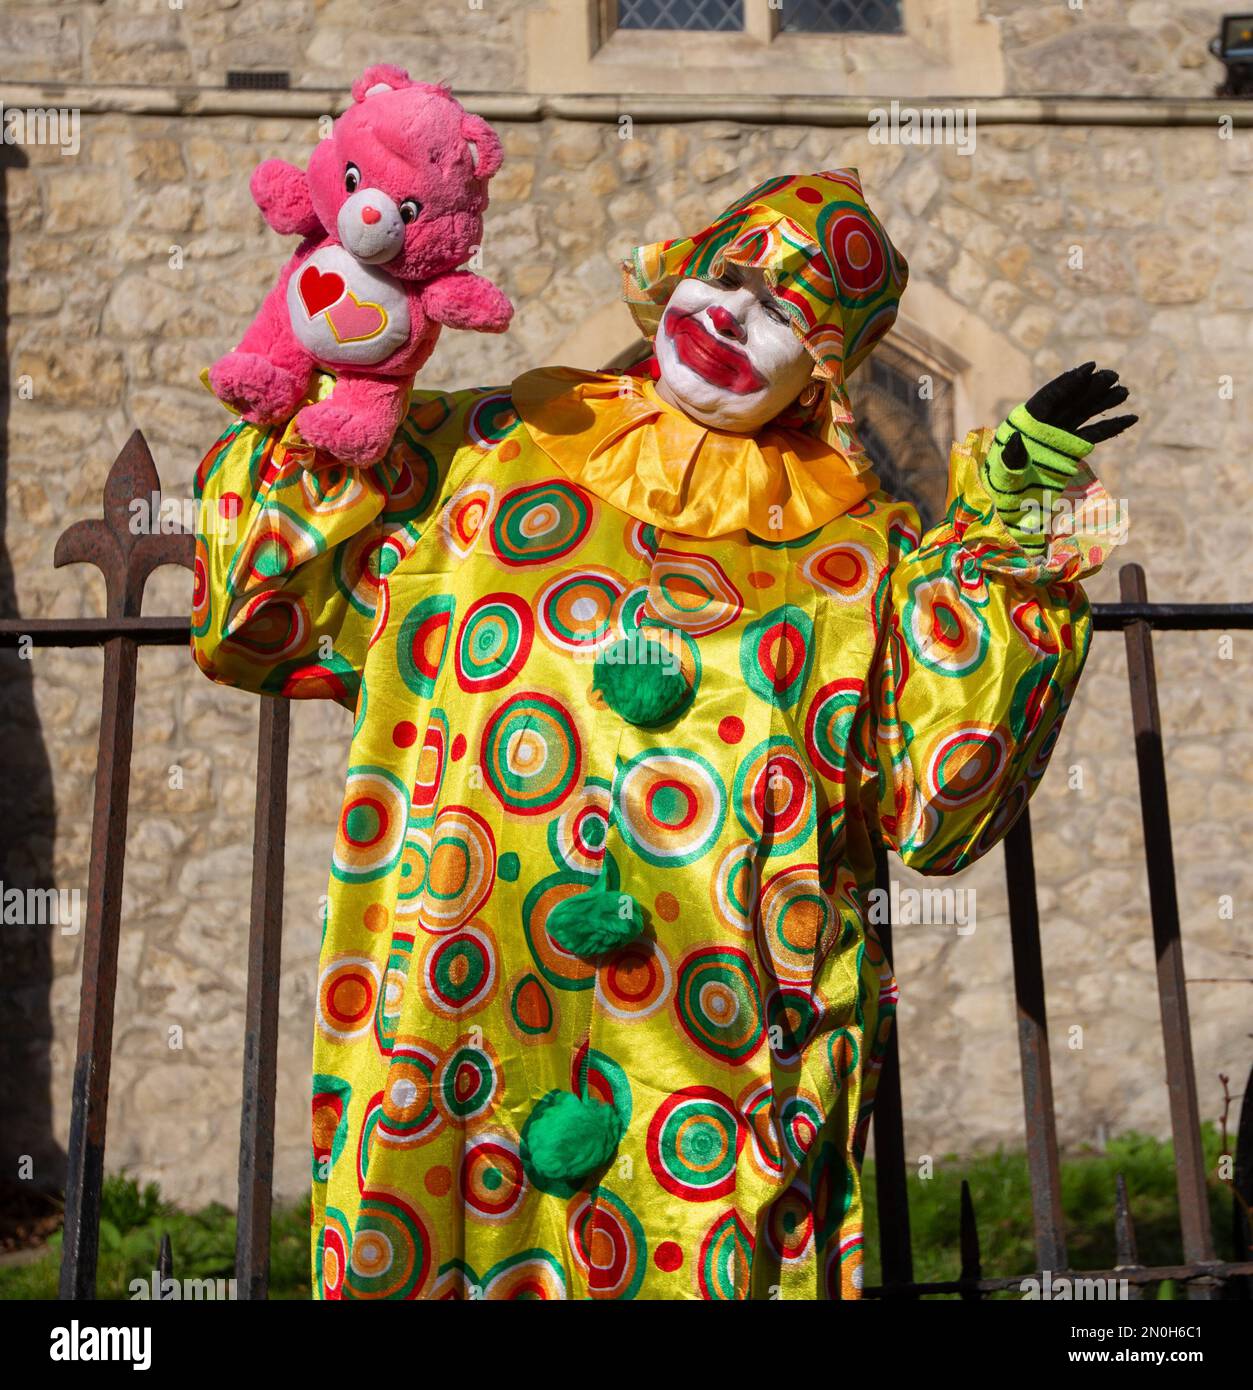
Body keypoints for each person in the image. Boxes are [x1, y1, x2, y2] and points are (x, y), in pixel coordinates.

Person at [192, 170, 1133, 1300]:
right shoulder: (491, 450)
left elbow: (939, 802)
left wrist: (1007, 526)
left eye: (783, 310)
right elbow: (259, 608)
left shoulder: (863, 556)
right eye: (725, 277)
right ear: (676, 276)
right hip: (461, 1019)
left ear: (825, 365)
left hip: (724, 1056)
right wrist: (350, 358)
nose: (734, 314)